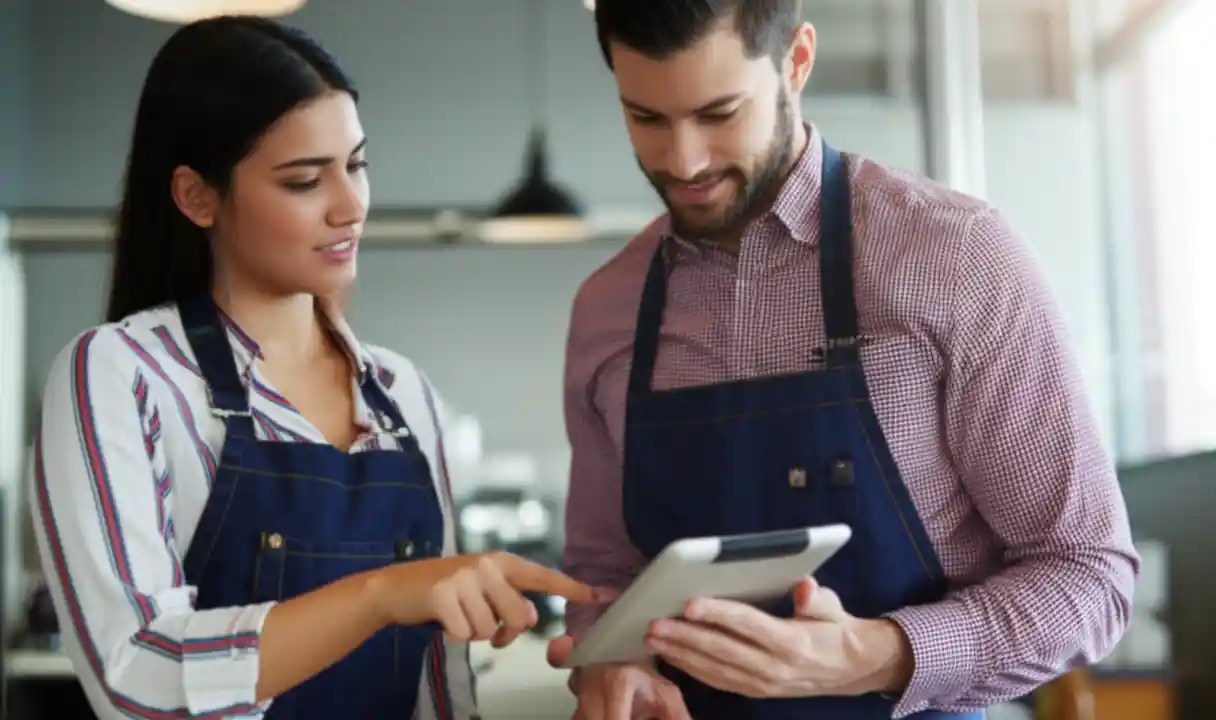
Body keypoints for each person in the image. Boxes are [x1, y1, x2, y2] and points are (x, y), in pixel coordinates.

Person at [547, 1, 1141, 718]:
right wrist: (607, 662)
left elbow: (1088, 577)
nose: (685, 160)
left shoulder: (954, 257)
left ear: (796, 60)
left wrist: (875, 655)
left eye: (720, 113)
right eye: (646, 119)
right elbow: (603, 577)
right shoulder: (605, 310)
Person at [27, 15, 602, 720]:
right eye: (304, 181)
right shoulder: (122, 376)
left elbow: (439, 682)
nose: (351, 206)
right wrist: (382, 593)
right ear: (196, 196)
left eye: (356, 165)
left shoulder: (403, 395)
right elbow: (135, 674)